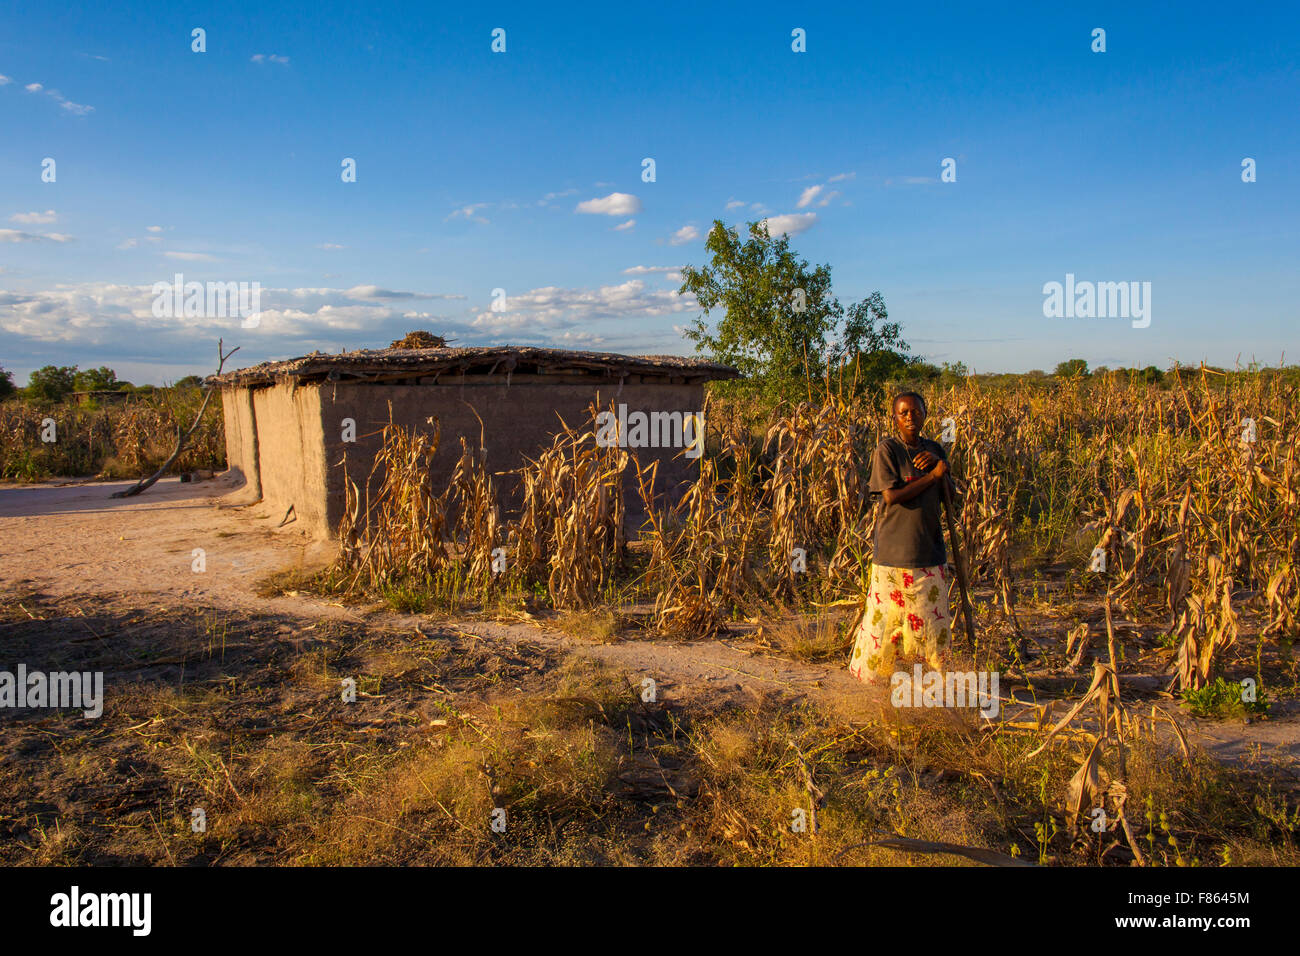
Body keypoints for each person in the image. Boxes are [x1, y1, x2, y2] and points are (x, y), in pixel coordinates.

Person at [848, 391, 955, 685]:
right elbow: (892, 496)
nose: (910, 417)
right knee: (884, 627)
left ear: (925, 414)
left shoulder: (935, 450)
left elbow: (951, 497)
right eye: (903, 413)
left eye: (916, 412)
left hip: (929, 553)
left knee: (931, 627)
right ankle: (879, 684)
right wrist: (932, 476)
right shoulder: (888, 451)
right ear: (894, 418)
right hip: (894, 556)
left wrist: (941, 468)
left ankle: (929, 683)